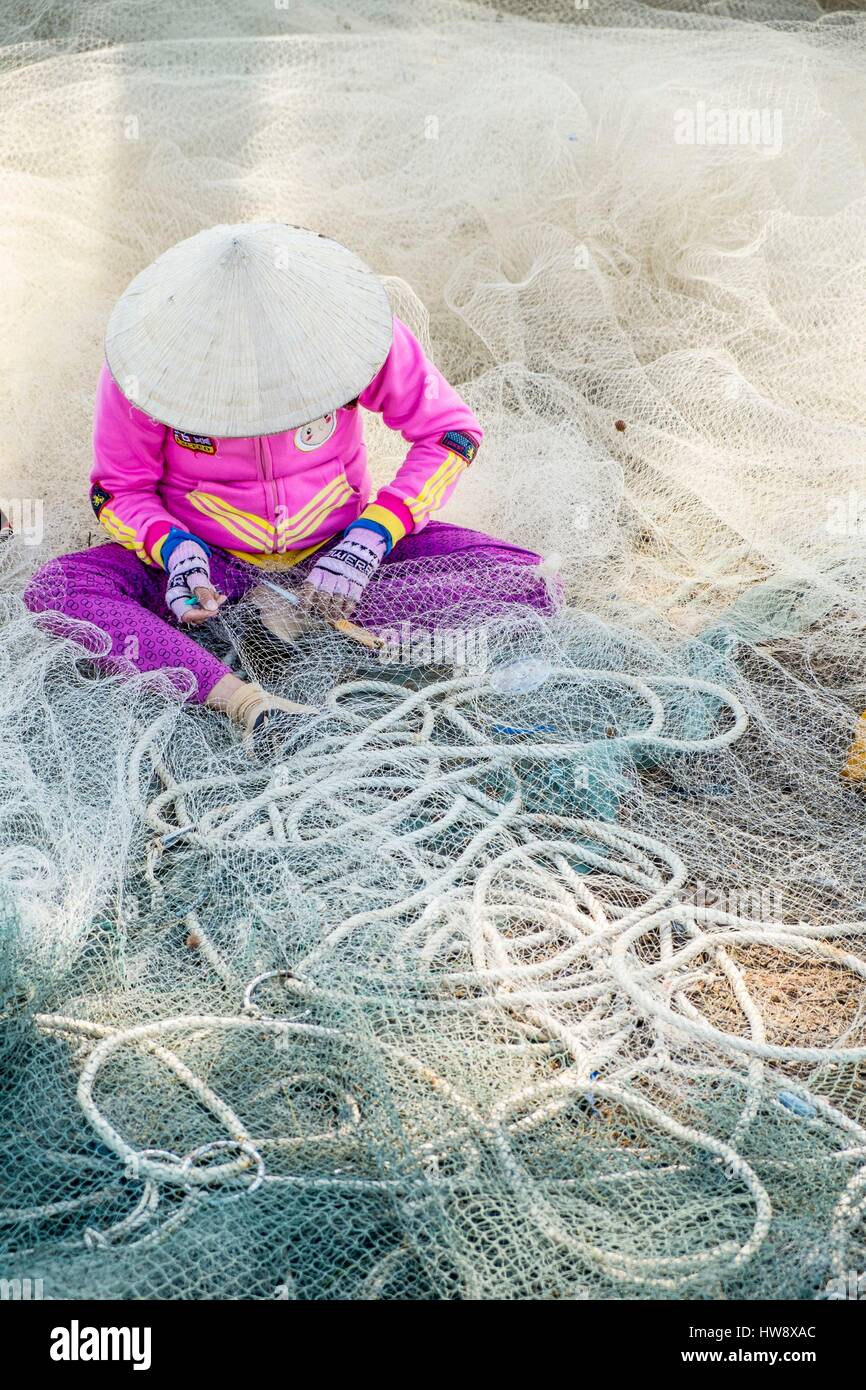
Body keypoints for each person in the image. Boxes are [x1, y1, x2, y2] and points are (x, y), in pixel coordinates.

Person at [25, 223, 555, 744]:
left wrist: (371, 538)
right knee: (56, 590)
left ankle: (291, 627)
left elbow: (452, 433)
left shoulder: (357, 330)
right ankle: (239, 695)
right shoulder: (144, 363)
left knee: (529, 579)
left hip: (339, 556)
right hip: (211, 568)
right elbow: (117, 491)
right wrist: (176, 552)